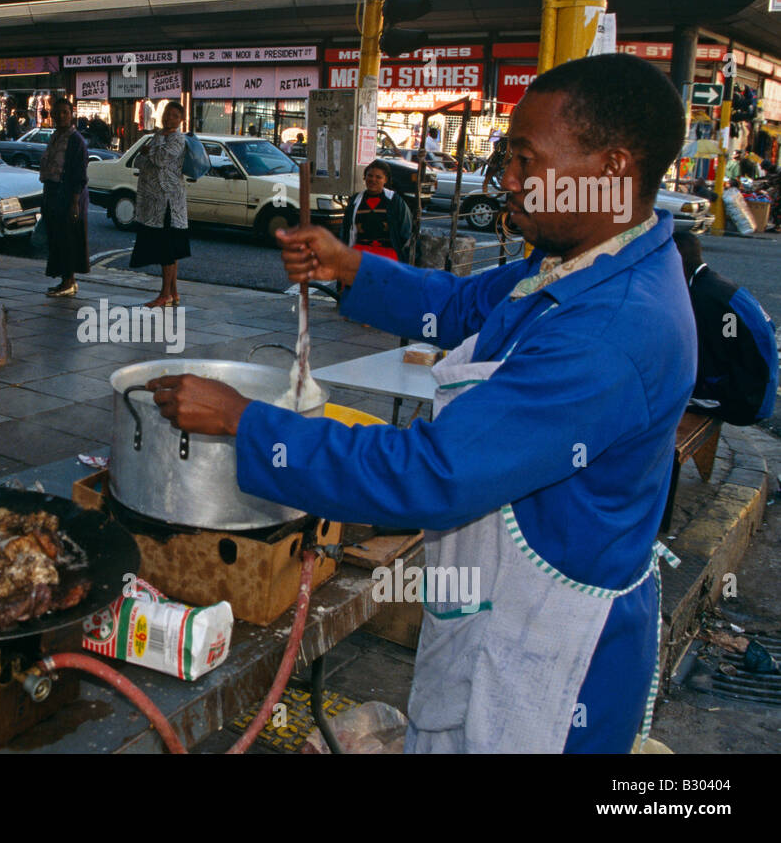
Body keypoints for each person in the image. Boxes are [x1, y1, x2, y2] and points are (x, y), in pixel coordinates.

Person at [145, 52, 695, 753]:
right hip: (503, 612)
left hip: (556, 661)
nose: (512, 185)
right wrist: (348, 265)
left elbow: (433, 473)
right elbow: (464, 303)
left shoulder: (614, 329)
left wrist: (243, 421)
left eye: (528, 161)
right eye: (508, 159)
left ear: (613, 169)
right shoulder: (580, 257)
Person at [672, 231, 777, 425]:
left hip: (745, 401)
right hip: (758, 390)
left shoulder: (703, 298)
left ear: (676, 262)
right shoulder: (718, 284)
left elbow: (713, 356)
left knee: (662, 401)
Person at [129, 99, 189, 307]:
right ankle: (173, 292)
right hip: (153, 202)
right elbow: (139, 160)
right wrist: (148, 153)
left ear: (181, 120)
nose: (169, 118)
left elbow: (160, 159)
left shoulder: (177, 139)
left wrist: (150, 151)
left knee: (167, 250)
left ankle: (165, 294)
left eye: (174, 115)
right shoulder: (157, 136)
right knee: (168, 249)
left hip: (168, 202)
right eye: (167, 114)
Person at [38, 97, 89, 297]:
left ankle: (69, 282)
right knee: (58, 238)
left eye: (65, 113)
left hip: (68, 195)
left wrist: (74, 202)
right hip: (53, 193)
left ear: (71, 115)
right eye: (57, 113)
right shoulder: (55, 136)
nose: (60, 116)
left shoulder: (76, 140)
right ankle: (66, 281)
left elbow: (79, 174)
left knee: (68, 239)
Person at [344, 159, 412, 261]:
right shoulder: (355, 201)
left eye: (378, 177)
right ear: (365, 177)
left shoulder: (395, 201)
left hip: (388, 254)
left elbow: (405, 231)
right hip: (360, 253)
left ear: (385, 180)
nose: (373, 180)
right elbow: (346, 231)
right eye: (370, 176)